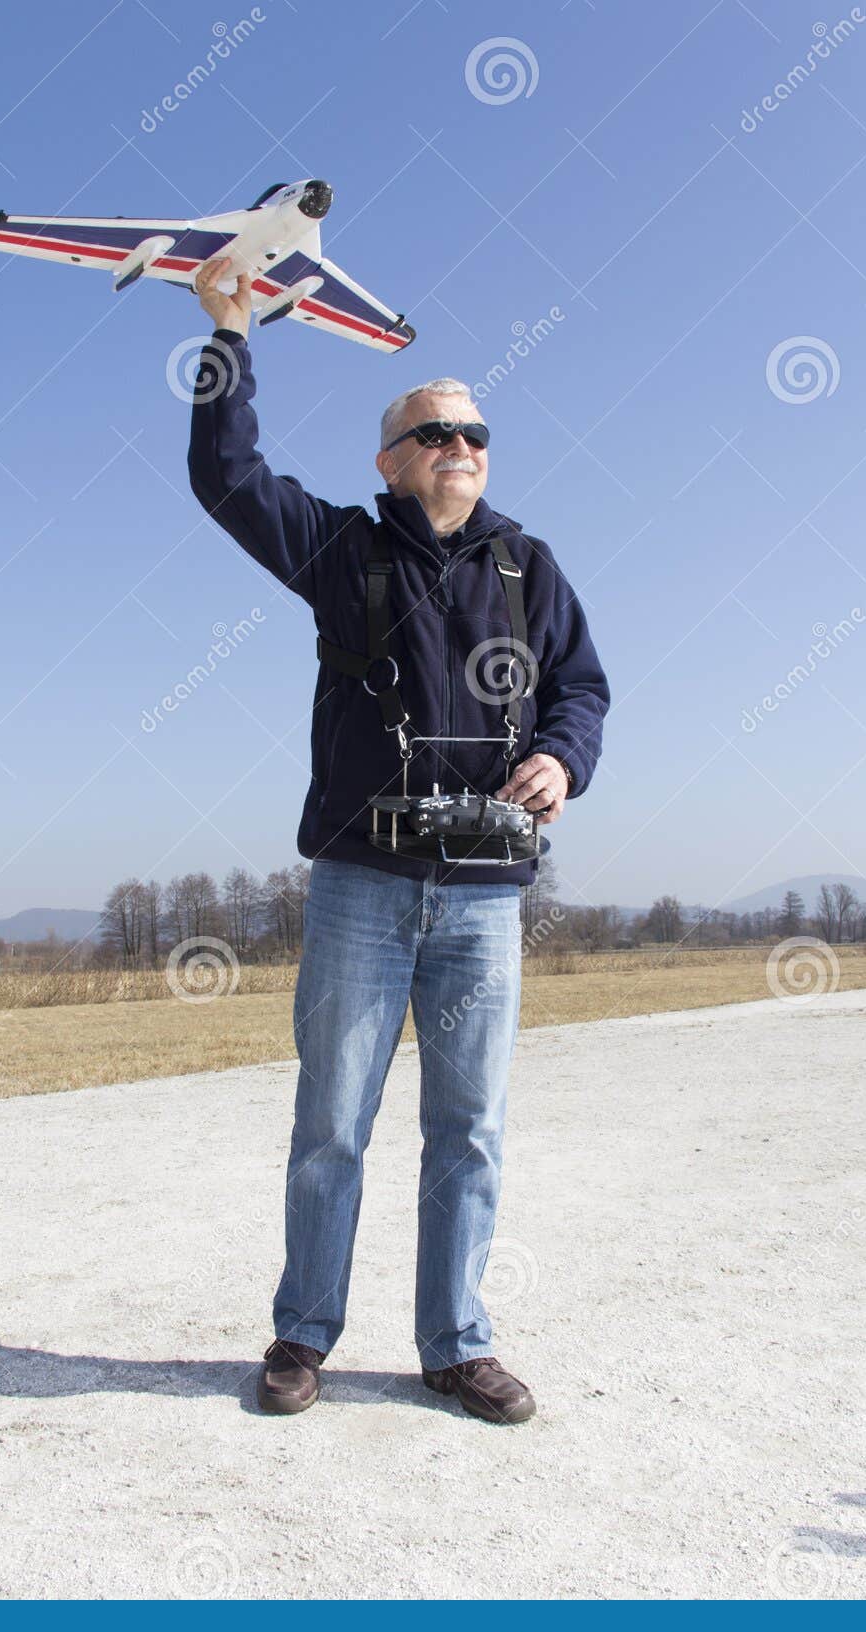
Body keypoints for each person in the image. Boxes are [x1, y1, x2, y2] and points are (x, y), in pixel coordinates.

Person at [187, 257, 610, 1424]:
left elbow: (582, 690)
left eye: (473, 431)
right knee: (330, 1122)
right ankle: (302, 1334)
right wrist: (231, 330)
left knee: (467, 1127)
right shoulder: (343, 554)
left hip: (482, 899)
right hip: (361, 887)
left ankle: (454, 1341)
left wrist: (562, 760)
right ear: (389, 460)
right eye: (432, 432)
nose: (458, 444)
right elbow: (225, 477)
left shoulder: (530, 569)